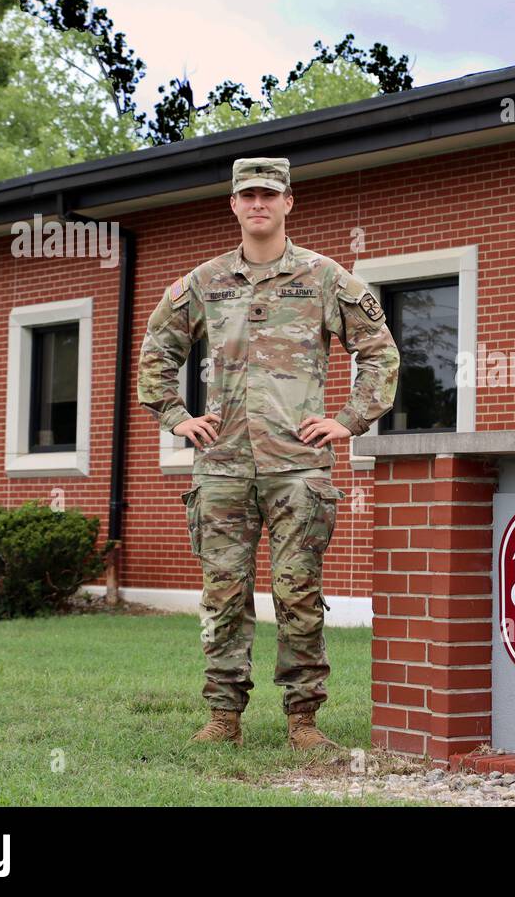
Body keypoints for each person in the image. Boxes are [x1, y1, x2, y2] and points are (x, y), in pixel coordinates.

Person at [137, 156, 399, 751]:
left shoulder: (325, 278)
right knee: (223, 593)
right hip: (222, 466)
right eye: (247, 195)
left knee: (297, 589)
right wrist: (178, 418)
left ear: (288, 203)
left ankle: (303, 720)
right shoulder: (202, 284)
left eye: (268, 194)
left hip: (298, 469)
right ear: (233, 205)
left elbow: (380, 353)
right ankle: (223, 716)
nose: (258, 204)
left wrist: (348, 420)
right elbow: (156, 355)